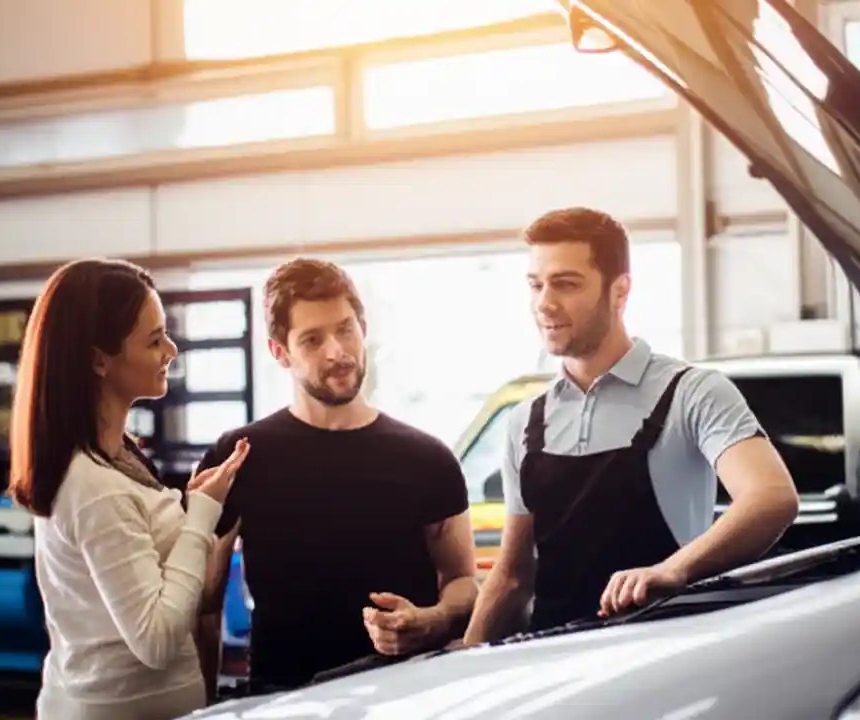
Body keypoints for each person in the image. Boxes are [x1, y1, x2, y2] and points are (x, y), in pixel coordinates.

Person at [463, 207, 801, 642]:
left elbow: (771, 498)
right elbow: (512, 578)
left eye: (566, 284)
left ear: (620, 291)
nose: (545, 303)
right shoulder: (525, 422)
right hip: (551, 668)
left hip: (657, 660)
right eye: (536, 285)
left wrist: (672, 570)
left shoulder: (691, 392)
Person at [195, 258, 477, 697]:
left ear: (363, 327)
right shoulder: (237, 457)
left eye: (345, 329)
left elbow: (462, 581)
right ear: (279, 352)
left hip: (408, 697)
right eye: (312, 339)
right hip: (283, 700)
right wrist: (204, 704)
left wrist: (432, 621)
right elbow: (204, 603)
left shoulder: (428, 459)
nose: (336, 351)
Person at [8, 259, 251, 720]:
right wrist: (200, 512)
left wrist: (194, 515)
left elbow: (164, 588)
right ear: (99, 359)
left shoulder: (117, 457)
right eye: (154, 340)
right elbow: (156, 639)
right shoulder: (94, 485)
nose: (172, 350)